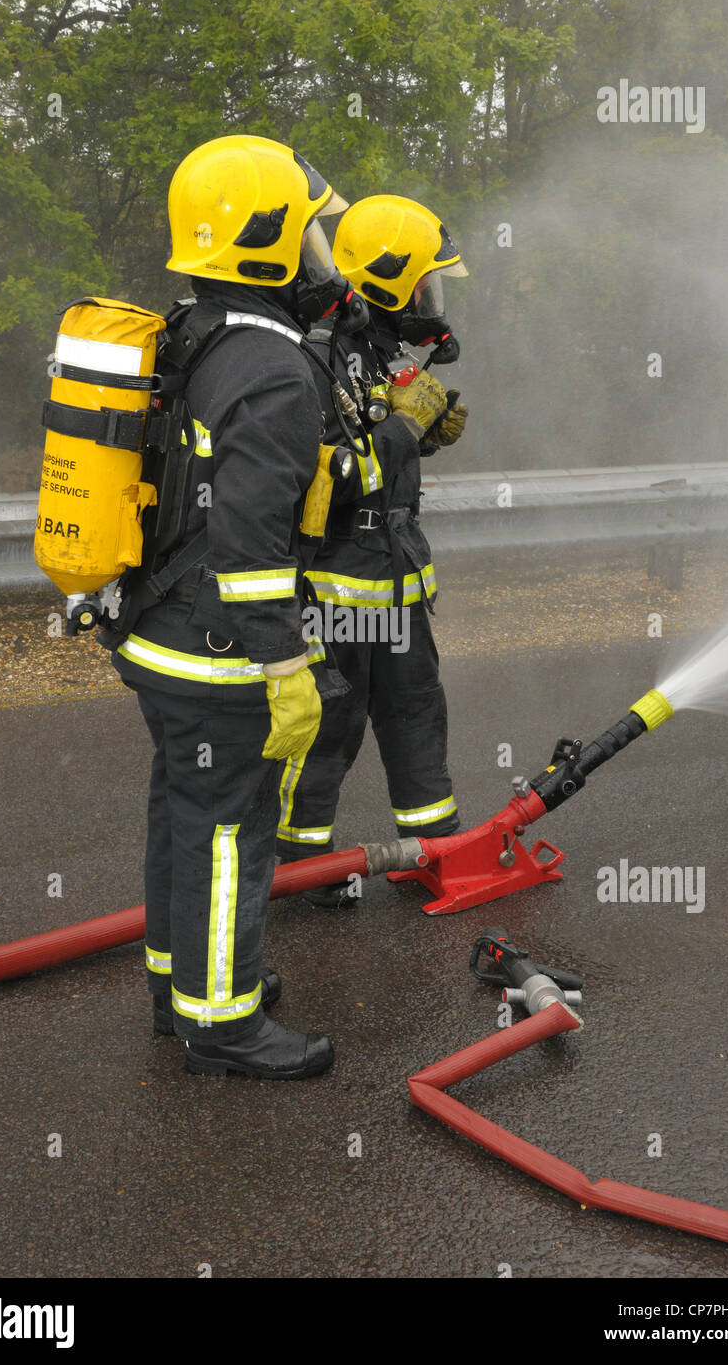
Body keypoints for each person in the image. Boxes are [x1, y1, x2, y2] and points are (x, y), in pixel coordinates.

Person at [111, 135, 360, 1078]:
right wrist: (287, 666)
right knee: (229, 829)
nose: (321, 259)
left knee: (181, 803)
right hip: (217, 651)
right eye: (310, 236)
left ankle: (182, 981)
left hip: (159, 636)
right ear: (266, 244)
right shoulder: (274, 369)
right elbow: (250, 546)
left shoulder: (195, 330)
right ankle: (221, 1024)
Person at [275, 194, 470, 905]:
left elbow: (384, 463)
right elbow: (333, 479)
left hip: (397, 578)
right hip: (337, 588)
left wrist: (426, 430)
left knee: (418, 712)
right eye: (426, 280)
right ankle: (302, 878)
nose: (433, 297)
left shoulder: (382, 352)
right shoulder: (320, 355)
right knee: (332, 727)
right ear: (392, 282)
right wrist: (403, 432)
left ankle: (437, 854)